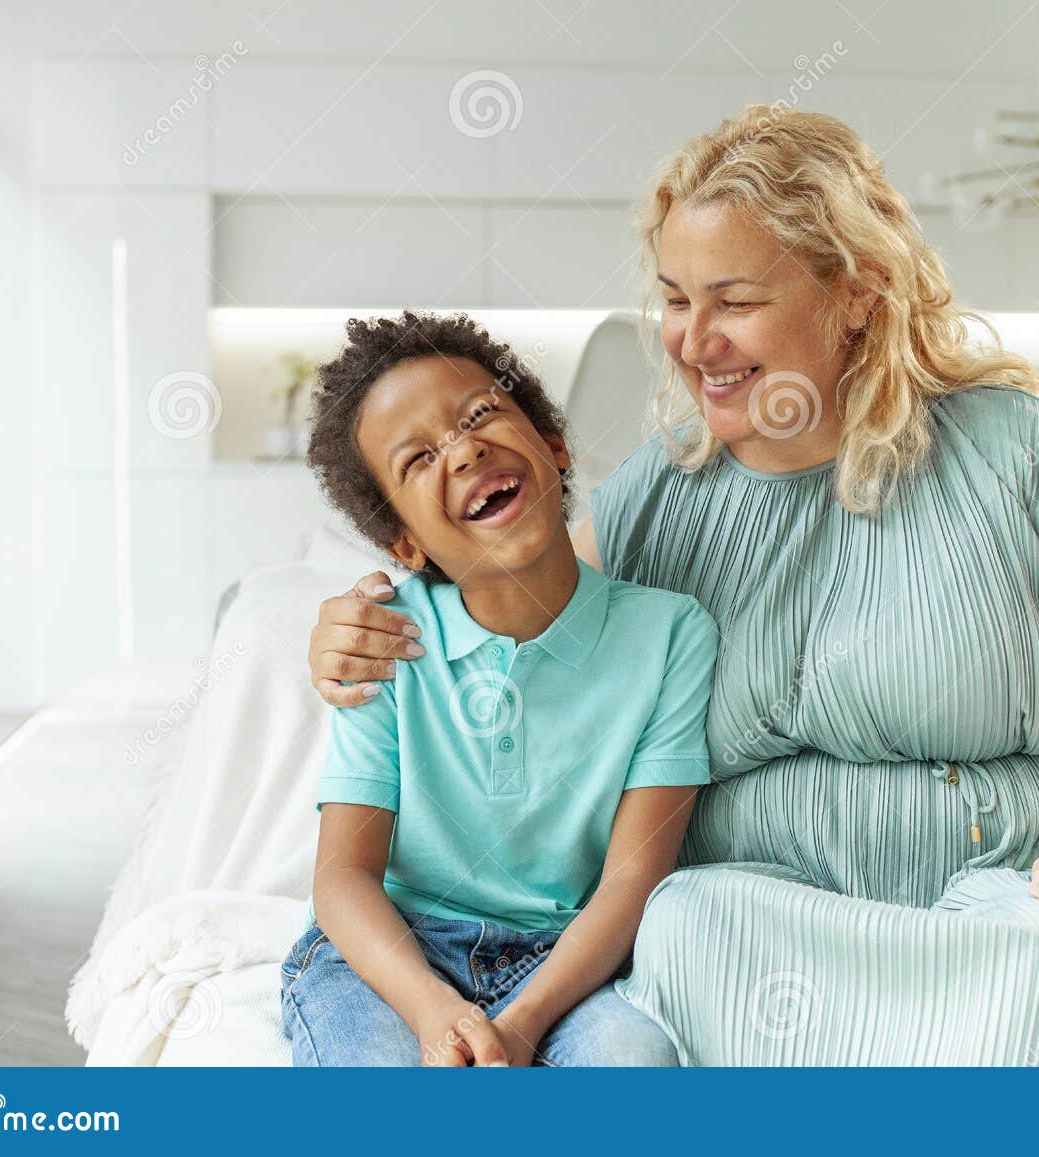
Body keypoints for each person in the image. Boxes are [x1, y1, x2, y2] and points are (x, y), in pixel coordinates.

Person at [304, 107, 1039, 1065]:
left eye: (733, 300)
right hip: (762, 909)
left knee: (1033, 963)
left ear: (854, 289)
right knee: (681, 928)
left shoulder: (1016, 453)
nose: (693, 340)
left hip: (1015, 891)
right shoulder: (662, 487)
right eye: (677, 299)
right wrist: (351, 629)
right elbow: (518, 611)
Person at [281, 310, 718, 1066]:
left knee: (634, 1061)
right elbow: (343, 876)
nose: (465, 448)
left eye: (480, 413)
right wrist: (433, 1011)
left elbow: (631, 878)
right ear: (405, 544)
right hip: (392, 956)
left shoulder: (672, 635)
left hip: (567, 961)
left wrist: (521, 1022)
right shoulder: (387, 637)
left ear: (551, 444)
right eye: (418, 458)